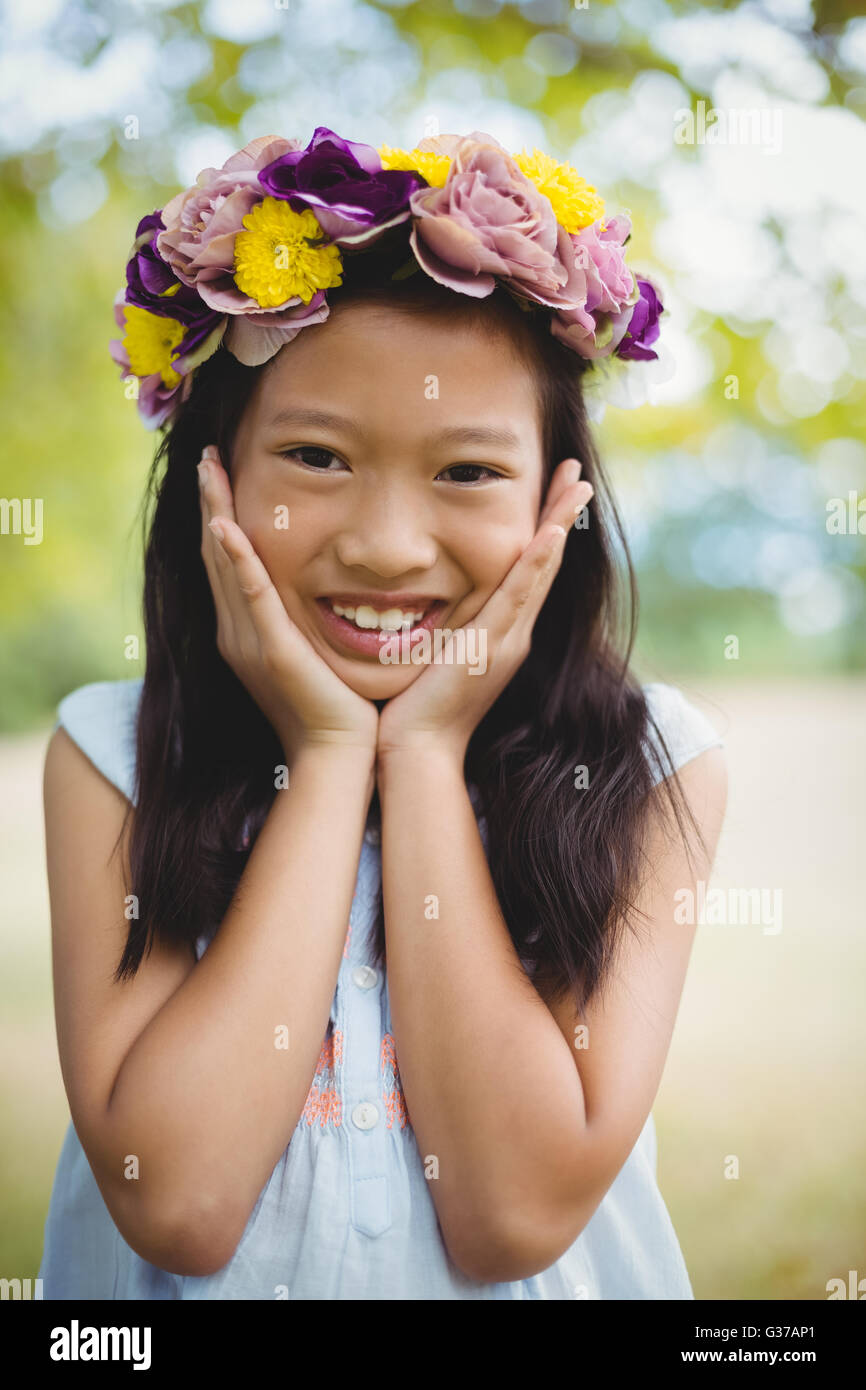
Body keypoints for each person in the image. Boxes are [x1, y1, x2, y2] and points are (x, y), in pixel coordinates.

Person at [39, 127, 727, 1299]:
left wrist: (423, 750)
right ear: (215, 475)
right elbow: (178, 1202)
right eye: (316, 456)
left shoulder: (650, 763)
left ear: (557, 497)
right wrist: (323, 757)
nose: (386, 546)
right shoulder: (113, 757)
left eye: (465, 472)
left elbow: (510, 1216)